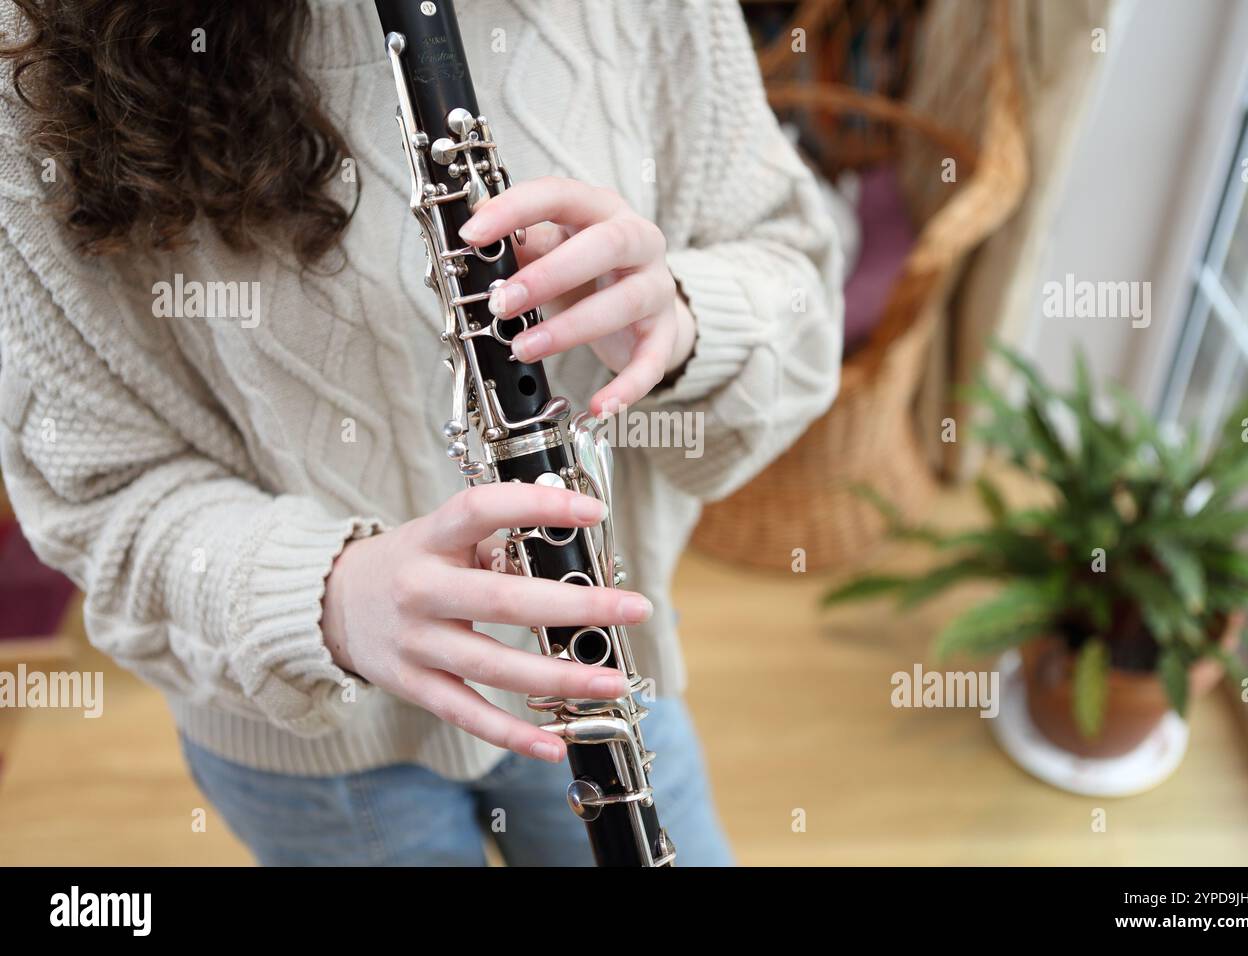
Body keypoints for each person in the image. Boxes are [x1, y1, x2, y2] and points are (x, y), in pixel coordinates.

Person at [0, 0, 841, 865]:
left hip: (600, 670)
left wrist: (684, 321)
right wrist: (322, 598)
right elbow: (94, 493)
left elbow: (795, 276)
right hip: (313, 752)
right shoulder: (30, 50)